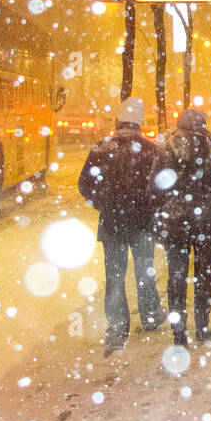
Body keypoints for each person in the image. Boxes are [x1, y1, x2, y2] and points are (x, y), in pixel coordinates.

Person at [78, 96, 163, 357]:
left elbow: (85, 184)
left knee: (114, 277)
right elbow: (161, 187)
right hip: (142, 222)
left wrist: (101, 203)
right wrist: (151, 207)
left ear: (118, 121)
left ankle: (117, 327)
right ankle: (150, 315)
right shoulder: (152, 150)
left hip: (112, 222)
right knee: (144, 270)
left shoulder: (102, 148)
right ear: (139, 121)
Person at [152, 107, 211, 347]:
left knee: (176, 278)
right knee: (204, 275)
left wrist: (165, 208)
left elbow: (154, 188)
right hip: (206, 223)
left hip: (175, 222)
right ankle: (203, 328)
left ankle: (179, 333)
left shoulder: (164, 150)